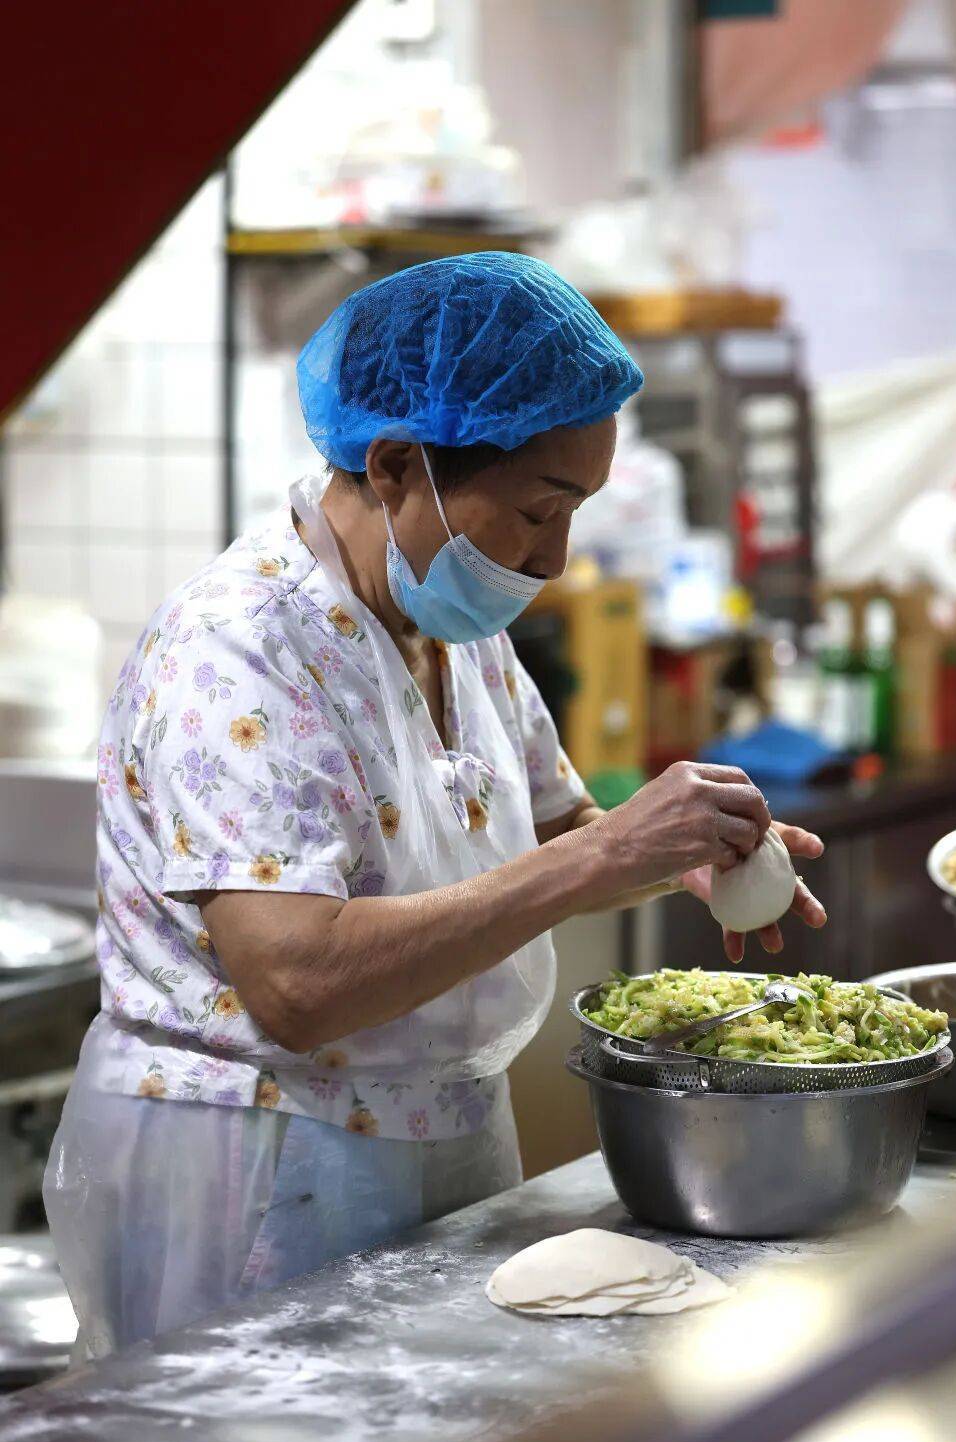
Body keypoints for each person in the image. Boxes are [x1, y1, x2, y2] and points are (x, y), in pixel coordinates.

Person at [44, 253, 826, 1358]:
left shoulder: (454, 627)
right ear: (396, 465)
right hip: (255, 1163)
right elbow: (298, 983)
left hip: (440, 1135)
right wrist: (604, 858)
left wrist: (682, 853)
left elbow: (554, 833)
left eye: (575, 513)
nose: (554, 559)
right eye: (537, 510)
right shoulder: (241, 650)